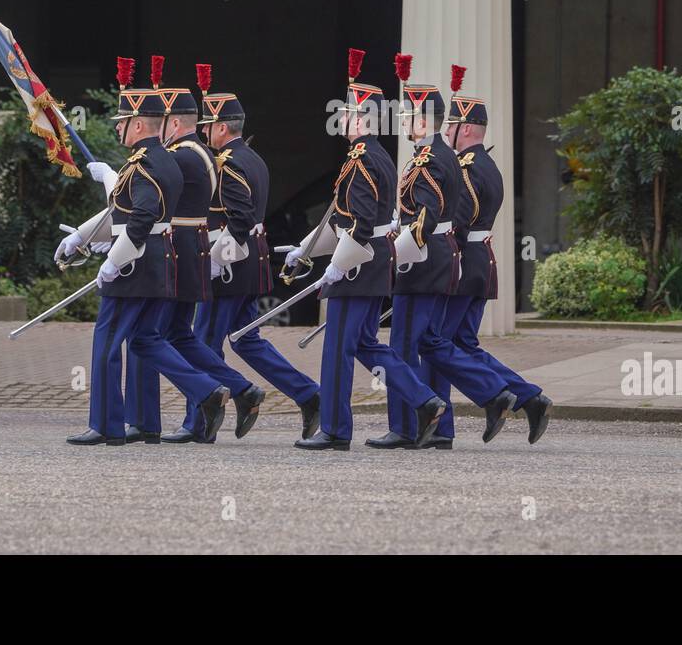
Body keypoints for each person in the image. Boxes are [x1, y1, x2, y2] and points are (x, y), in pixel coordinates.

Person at [58, 57, 229, 445]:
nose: (117, 128)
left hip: (136, 265)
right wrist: (86, 235)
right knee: (145, 340)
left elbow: (142, 215)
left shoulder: (144, 164)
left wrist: (113, 262)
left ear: (137, 125)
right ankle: (205, 390)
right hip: (158, 262)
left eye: (121, 122)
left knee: (106, 342)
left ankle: (106, 426)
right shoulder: (162, 160)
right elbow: (128, 211)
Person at [289, 48, 447, 451]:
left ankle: (336, 430)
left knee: (339, 348)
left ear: (361, 118)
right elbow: (350, 220)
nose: (341, 120)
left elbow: (359, 224)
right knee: (365, 344)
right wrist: (307, 249)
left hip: (358, 267)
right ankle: (424, 400)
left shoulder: (362, 160)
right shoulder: (373, 155)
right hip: (371, 264)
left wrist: (337, 267)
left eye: (346, 113)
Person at [366, 55, 515, 450]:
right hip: (437, 259)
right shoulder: (439, 155)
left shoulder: (430, 157)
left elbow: (429, 216)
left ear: (421, 120)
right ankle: (447, 424)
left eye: (407, 116)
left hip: (423, 261)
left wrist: (394, 251)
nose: (402, 122)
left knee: (403, 347)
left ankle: (406, 426)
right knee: (430, 342)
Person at [121, 57, 265, 444]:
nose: (156, 128)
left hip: (177, 252)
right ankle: (237, 389)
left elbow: (142, 200)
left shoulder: (180, 155)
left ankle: (159, 412)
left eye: (161, 120)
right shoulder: (196, 152)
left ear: (175, 122)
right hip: (193, 252)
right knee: (179, 335)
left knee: (146, 336)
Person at [179, 69, 322, 441]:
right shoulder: (252, 157)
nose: (204, 133)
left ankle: (205, 419)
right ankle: (308, 394)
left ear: (223, 127)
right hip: (248, 263)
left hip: (230, 267)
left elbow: (240, 220)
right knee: (246, 339)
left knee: (203, 341)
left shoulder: (227, 163)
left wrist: (214, 260)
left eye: (208, 126)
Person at [432, 63, 552, 446]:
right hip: (483, 263)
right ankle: (530, 398)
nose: (445, 132)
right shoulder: (488, 164)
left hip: (464, 265)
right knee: (464, 344)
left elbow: (459, 220)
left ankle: (492, 397)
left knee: (437, 343)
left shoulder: (465, 168)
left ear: (465, 128)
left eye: (450, 126)